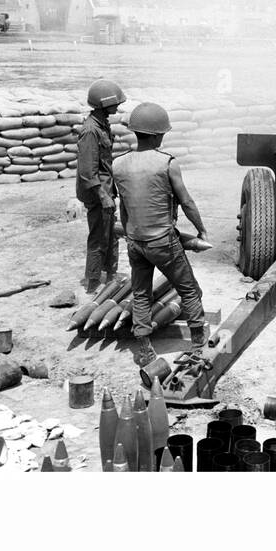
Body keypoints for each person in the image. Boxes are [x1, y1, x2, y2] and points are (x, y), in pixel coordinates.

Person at [111, 102, 209, 369]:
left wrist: (131, 233)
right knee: (189, 290)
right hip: (163, 241)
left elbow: (123, 205)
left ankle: (144, 349)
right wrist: (200, 230)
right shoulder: (167, 163)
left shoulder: (118, 165)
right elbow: (186, 202)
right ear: (158, 135)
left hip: (135, 242)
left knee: (141, 294)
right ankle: (199, 342)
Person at [76, 79, 126, 293]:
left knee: (110, 233)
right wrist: (103, 196)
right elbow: (87, 170)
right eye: (116, 102)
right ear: (105, 103)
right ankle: (93, 283)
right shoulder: (90, 130)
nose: (119, 106)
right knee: (98, 237)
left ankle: (110, 275)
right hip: (97, 193)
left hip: (106, 189)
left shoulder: (102, 123)